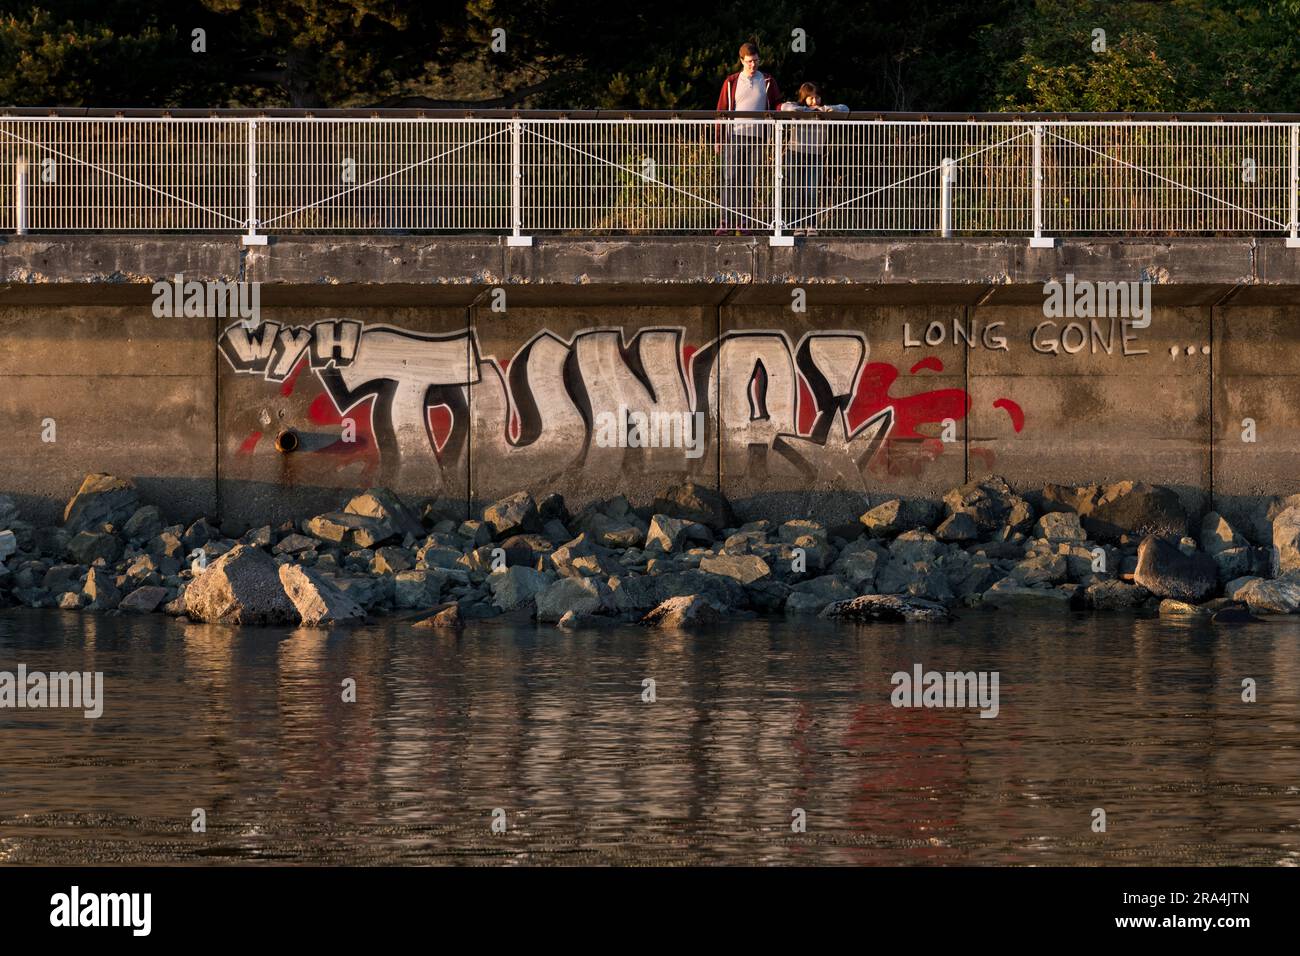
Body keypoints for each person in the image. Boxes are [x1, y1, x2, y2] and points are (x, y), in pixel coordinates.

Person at [715, 43, 782, 234]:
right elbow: (721, 110)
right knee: (730, 178)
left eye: (756, 61)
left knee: (749, 180)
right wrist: (718, 138)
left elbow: (776, 103)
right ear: (742, 61)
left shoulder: (768, 79)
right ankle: (725, 221)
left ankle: (744, 222)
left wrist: (782, 113)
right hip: (734, 136)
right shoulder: (731, 81)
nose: (753, 65)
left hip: (758, 138)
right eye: (749, 61)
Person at [779, 82, 848, 235]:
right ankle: (796, 225)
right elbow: (784, 107)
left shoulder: (824, 112)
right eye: (810, 98)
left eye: (817, 97)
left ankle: (811, 225)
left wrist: (823, 110)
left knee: (811, 191)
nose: (814, 101)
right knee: (796, 191)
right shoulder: (798, 109)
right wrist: (806, 110)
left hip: (815, 156)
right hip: (795, 154)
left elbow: (845, 108)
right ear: (803, 98)